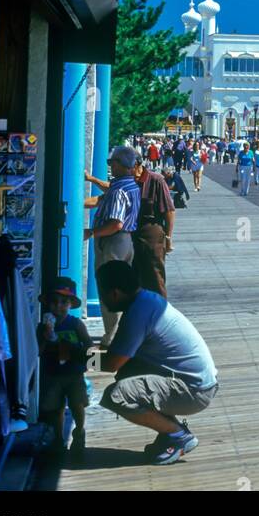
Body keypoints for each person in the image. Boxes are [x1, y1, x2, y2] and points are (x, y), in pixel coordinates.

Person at [95, 259, 220, 466]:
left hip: (194, 392)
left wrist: (77, 358)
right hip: (198, 383)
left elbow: (111, 363)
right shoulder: (146, 300)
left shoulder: (138, 312)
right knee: (128, 373)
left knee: (116, 395)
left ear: (114, 293)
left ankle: (178, 435)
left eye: (103, 294)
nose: (103, 301)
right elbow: (120, 359)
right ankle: (170, 432)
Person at [82, 145, 140, 344]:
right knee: (122, 288)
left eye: (112, 162)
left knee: (109, 289)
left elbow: (116, 223)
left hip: (113, 242)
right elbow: (105, 193)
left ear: (121, 165)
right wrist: (89, 183)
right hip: (126, 242)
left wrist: (91, 233)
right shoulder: (130, 185)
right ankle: (121, 334)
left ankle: (111, 337)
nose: (110, 166)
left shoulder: (118, 191)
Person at [36, 277, 93, 458]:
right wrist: (46, 335)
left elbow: (89, 346)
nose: (58, 307)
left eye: (63, 302)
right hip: (52, 373)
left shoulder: (76, 324)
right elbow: (37, 351)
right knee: (56, 408)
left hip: (74, 373)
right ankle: (58, 439)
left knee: (77, 404)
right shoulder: (42, 327)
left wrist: (91, 365)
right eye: (54, 302)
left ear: (70, 305)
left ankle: (79, 432)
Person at [132, 155, 175, 297]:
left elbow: (169, 210)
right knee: (132, 280)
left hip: (151, 234)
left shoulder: (156, 180)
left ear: (136, 165)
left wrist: (168, 237)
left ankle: (160, 313)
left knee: (155, 277)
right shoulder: (125, 180)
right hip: (129, 235)